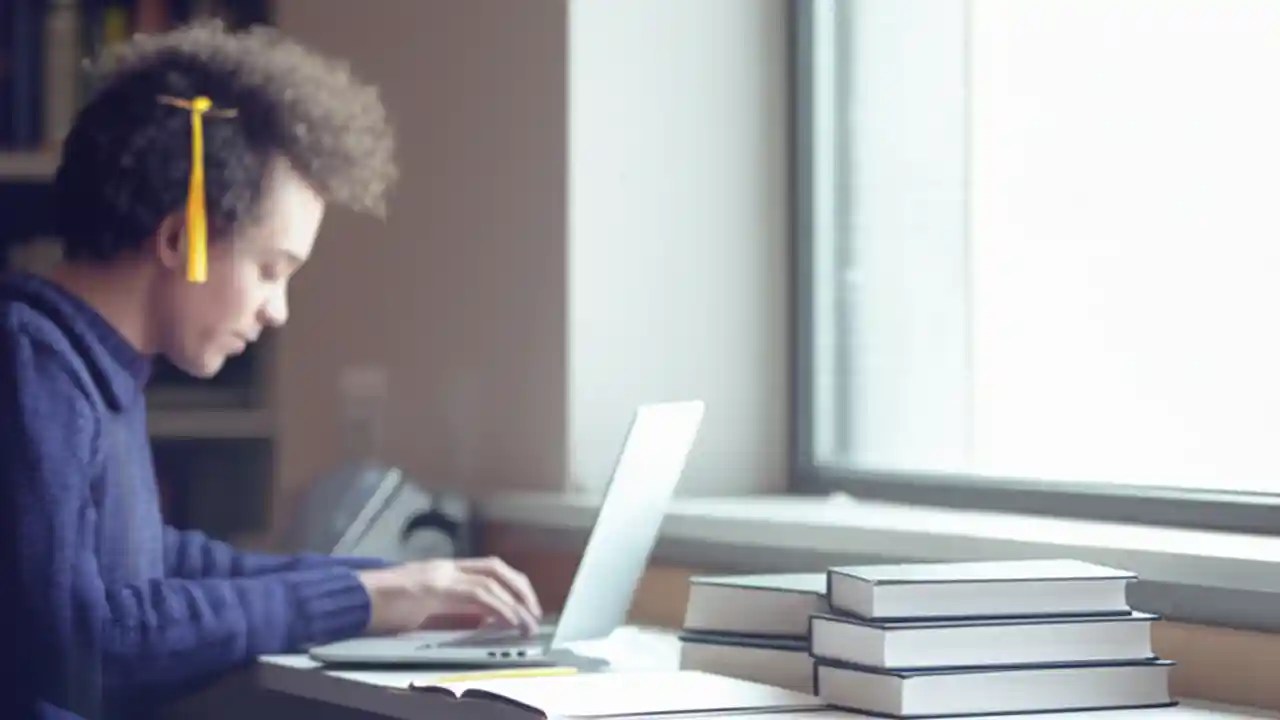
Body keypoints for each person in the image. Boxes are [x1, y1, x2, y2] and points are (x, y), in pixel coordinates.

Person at [0, 21, 542, 720]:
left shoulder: (85, 367)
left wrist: (395, 585)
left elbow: (153, 563)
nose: (276, 310)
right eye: (270, 269)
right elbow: (89, 644)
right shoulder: (30, 367)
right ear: (178, 238)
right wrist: (364, 599)